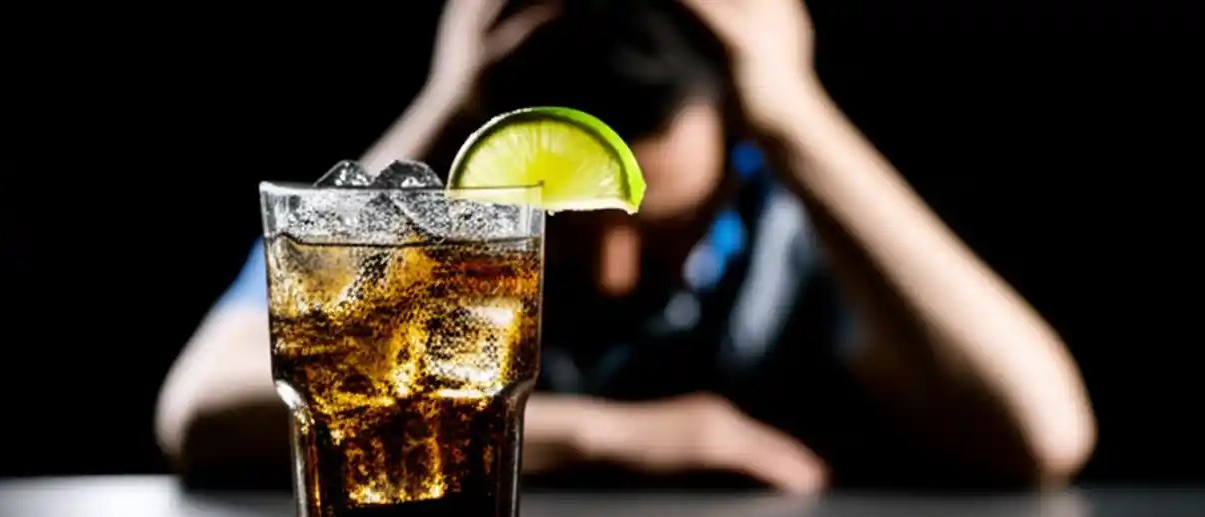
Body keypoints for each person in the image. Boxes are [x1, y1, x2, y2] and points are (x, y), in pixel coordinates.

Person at [155, 0, 1096, 492]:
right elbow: (202, 410)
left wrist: (796, 108)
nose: (609, 274)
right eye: (563, 223)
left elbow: (1042, 432)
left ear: (739, 149)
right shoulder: (442, 229)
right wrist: (450, 102)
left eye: (666, 225)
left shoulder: (800, 219)